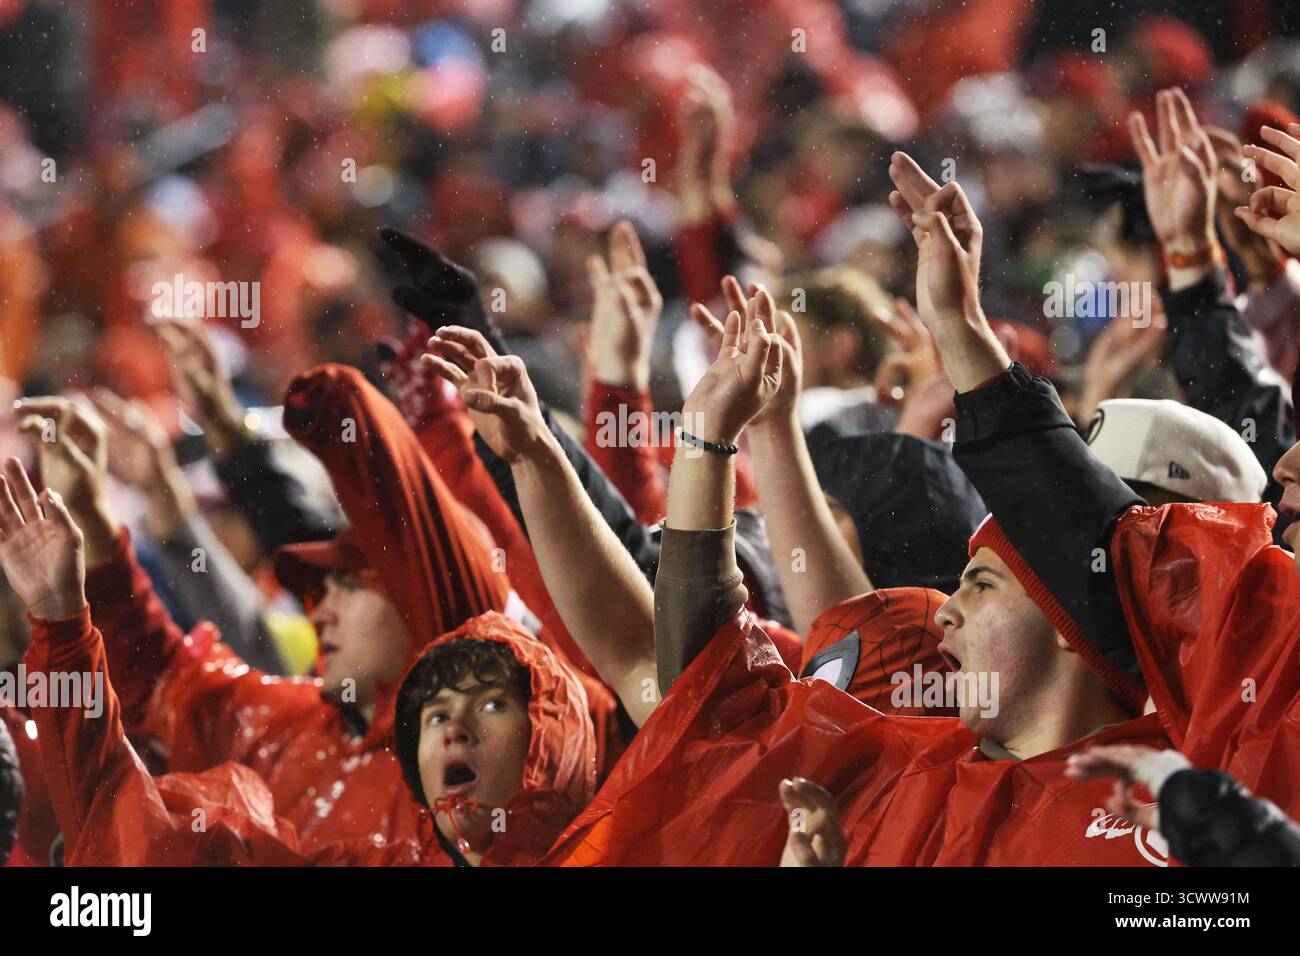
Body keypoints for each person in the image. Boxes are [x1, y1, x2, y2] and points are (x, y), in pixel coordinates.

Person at [14, 360, 511, 855]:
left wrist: (354, 415)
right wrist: (92, 521)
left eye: (349, 587)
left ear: (417, 597)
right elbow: (161, 680)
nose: (321, 609)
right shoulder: (285, 722)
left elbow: (455, 571)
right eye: (322, 588)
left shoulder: (471, 779)